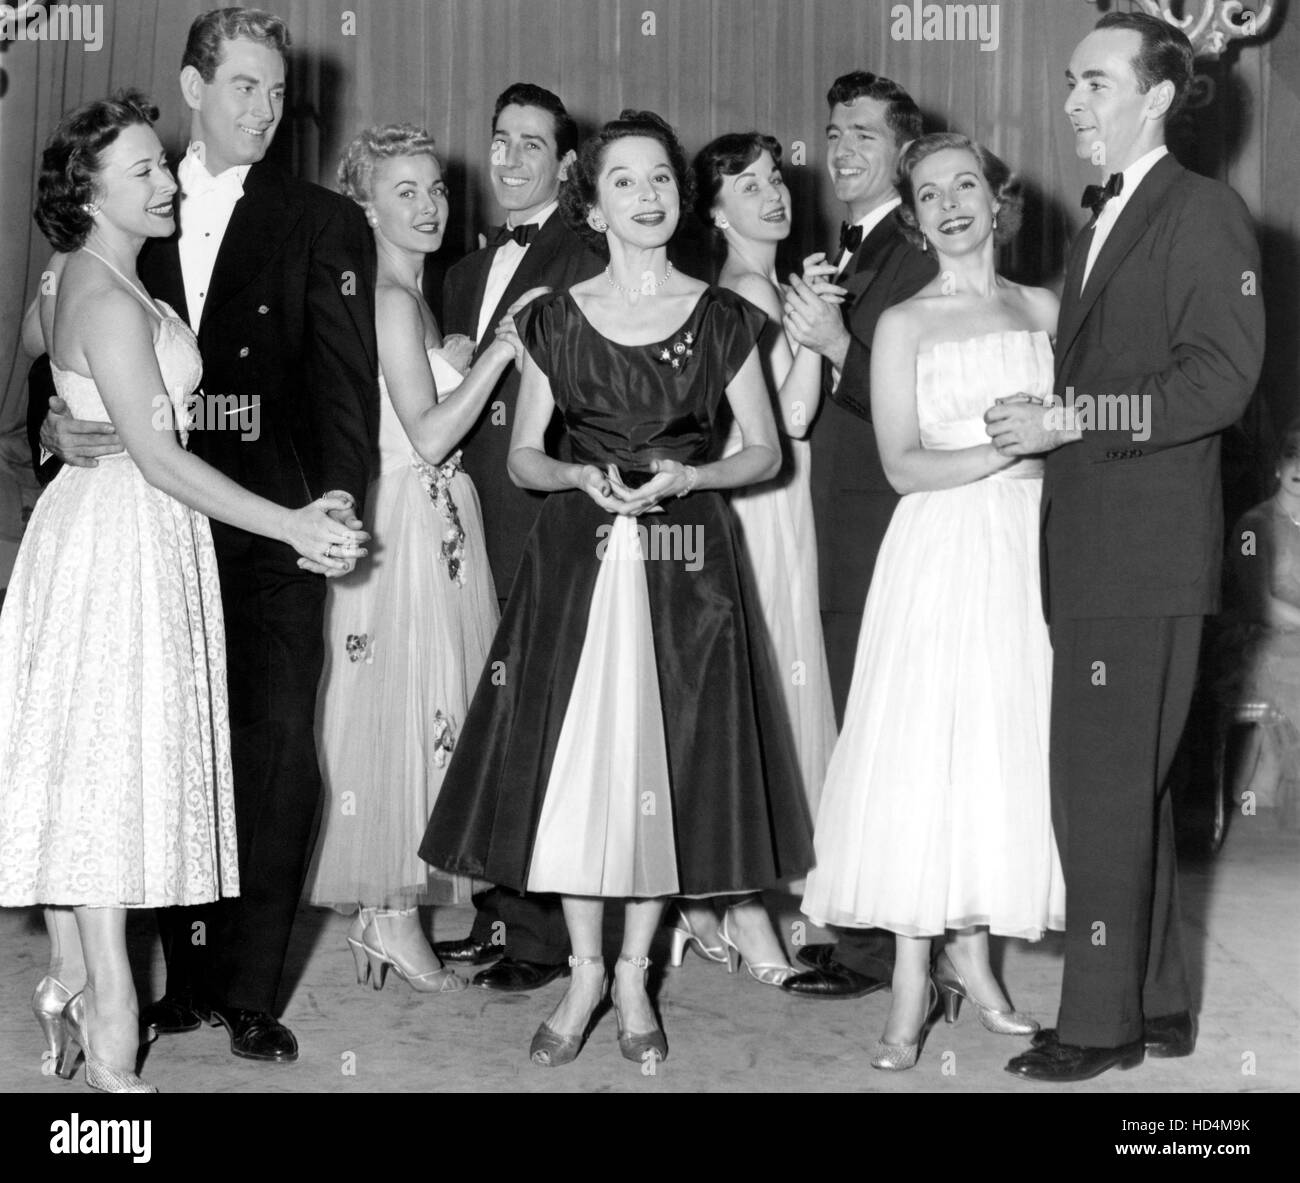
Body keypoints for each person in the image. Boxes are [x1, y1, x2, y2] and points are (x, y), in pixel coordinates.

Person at [420, 110, 813, 1068]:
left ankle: (637, 970)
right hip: (576, 561)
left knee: (662, 770)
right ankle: (587, 968)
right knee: (578, 772)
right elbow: (520, 458)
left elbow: (761, 450)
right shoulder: (554, 316)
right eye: (626, 182)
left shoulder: (724, 318)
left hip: (688, 561)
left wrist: (693, 477)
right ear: (593, 205)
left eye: (662, 180)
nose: (649, 197)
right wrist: (576, 476)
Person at [30, 7, 379, 1063]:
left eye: (278, 93)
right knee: (162, 756)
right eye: (242, 87)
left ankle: (251, 987)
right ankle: (174, 978)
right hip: (147, 540)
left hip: (270, 534)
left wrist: (331, 517)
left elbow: (344, 400)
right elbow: (68, 374)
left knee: (272, 754)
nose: (264, 111)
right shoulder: (136, 200)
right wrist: (64, 429)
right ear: (192, 89)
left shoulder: (323, 221)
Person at [994, 11, 1265, 1083]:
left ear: (1156, 96)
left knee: (1096, 791)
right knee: (1132, 786)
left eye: (1095, 84)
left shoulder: (1201, 212)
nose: (1071, 102)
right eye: (1068, 82)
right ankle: (1155, 1007)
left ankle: (1097, 1026)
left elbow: (1219, 378)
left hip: (1141, 554)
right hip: (1102, 547)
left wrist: (1073, 419)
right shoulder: (1100, 220)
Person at [801, 133, 1064, 1070]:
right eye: (928, 194)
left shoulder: (1047, 307)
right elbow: (902, 464)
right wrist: (1011, 449)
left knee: (1000, 748)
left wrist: (1056, 436)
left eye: (966, 186)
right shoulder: (905, 321)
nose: (950, 204)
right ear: (911, 216)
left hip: (1024, 552)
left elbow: (1091, 421)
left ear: (999, 199)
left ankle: (978, 958)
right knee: (921, 751)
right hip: (937, 545)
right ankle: (912, 978)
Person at [305, 124, 544, 993]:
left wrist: (462, 358)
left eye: (437, 186)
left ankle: (387, 916)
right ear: (364, 204)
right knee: (399, 716)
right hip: (407, 516)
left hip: (433, 518)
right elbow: (432, 431)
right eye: (404, 190)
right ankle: (392, 915)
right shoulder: (392, 298)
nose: (430, 204)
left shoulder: (410, 289)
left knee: (425, 717)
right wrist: (501, 351)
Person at [425, 83, 604, 994]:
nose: (509, 158)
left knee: (544, 723)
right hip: (473, 522)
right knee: (491, 719)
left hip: (550, 520)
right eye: (500, 139)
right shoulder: (459, 269)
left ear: (567, 165)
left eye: (532, 143)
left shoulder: (591, 254)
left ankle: (544, 939)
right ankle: (499, 914)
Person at [664, 132, 836, 987]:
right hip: (756, 509)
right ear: (717, 211)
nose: (772, 194)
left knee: (774, 690)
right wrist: (816, 334)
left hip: (780, 506)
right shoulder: (743, 288)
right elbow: (792, 418)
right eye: (747, 185)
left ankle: (721, 898)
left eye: (775, 178)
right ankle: (737, 900)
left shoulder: (764, 284)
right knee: (763, 695)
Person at [780, 71, 937, 1003]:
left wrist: (838, 344)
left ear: (903, 151)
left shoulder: (918, 255)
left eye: (864, 135)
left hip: (887, 526)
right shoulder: (846, 251)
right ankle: (867, 933)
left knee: (883, 734)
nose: (841, 150)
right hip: (839, 525)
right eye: (833, 133)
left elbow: (923, 397)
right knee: (853, 730)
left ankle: (883, 950)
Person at [1218, 421, 1300, 825]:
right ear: (1276, 464)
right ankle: (1258, 792)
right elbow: (1258, 604)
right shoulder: (1255, 526)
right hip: (1257, 643)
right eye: (1291, 453)